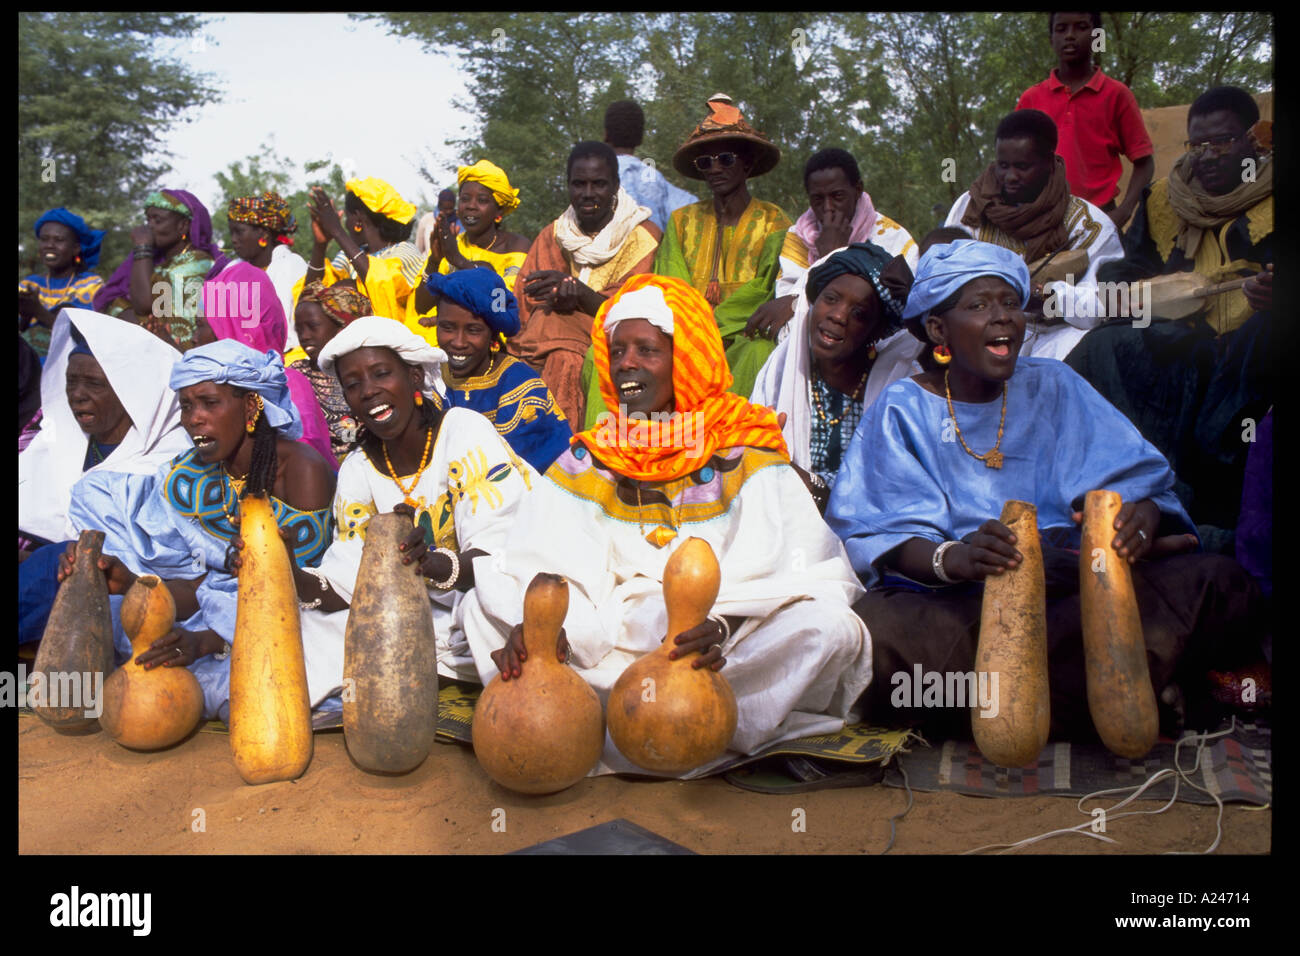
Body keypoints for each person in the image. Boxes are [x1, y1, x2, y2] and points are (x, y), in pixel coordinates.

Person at [826, 239, 1262, 741]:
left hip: (1072, 589)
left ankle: (1042, 701)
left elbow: (1133, 479)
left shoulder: (1053, 383)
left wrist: (1142, 515)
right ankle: (1112, 690)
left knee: (1218, 581)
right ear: (938, 328)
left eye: (1010, 303)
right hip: (963, 601)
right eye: (979, 305)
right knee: (880, 636)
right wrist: (957, 558)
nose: (1003, 318)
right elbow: (881, 532)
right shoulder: (903, 407)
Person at [461, 274, 872, 779]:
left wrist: (718, 626)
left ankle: (684, 722)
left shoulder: (744, 449)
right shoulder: (590, 456)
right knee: (483, 606)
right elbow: (549, 561)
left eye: (647, 350)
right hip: (613, 638)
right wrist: (552, 634)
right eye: (619, 351)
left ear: (686, 360)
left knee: (831, 629)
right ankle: (615, 716)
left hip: (720, 645)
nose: (628, 363)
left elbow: (811, 572)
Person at [58, 340, 336, 720]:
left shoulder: (301, 468)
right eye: (187, 406)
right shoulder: (190, 475)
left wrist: (206, 643)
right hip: (224, 612)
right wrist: (129, 583)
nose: (193, 419)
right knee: (129, 621)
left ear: (251, 405)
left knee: (255, 683)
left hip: (294, 612)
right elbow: (199, 584)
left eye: (209, 403)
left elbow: (303, 596)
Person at [278, 317, 538, 705]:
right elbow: (350, 577)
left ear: (415, 379)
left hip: (492, 596)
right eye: (353, 384)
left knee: (484, 605)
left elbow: (500, 553)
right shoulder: (358, 469)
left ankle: (529, 694)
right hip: (419, 621)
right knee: (314, 623)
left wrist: (432, 564)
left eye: (382, 374)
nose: (368, 391)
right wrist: (286, 570)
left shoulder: (461, 431)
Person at [1068, 86, 1273, 552]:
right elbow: (1132, 268)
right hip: (1178, 338)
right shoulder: (1165, 197)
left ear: (1251, 142)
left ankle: (1223, 525)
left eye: (1221, 142)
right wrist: (1133, 294)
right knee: (1107, 346)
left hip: (1253, 336)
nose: (1206, 156)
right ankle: (1136, 494)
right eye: (1196, 145)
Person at [18, 310, 191, 642]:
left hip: (118, 601)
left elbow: (152, 566)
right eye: (71, 381)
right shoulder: (61, 442)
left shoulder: (169, 463)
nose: (77, 394)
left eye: (94, 383)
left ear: (131, 391)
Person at [944, 108, 1123, 360]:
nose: (1010, 177)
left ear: (1050, 164)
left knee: (1086, 350)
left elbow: (1105, 303)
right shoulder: (970, 206)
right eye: (1003, 165)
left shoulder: (1090, 225)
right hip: (979, 332)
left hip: (1053, 338)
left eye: (1022, 167)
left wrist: (1045, 297)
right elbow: (944, 270)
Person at [511, 141, 661, 429]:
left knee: (565, 353)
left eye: (599, 184)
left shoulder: (643, 237)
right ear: (567, 185)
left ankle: (564, 455)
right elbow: (522, 304)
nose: (588, 194)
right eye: (579, 184)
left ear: (616, 184)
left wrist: (580, 295)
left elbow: (635, 314)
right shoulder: (554, 234)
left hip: (618, 348)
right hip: (538, 351)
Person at [652, 94, 792, 401]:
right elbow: (670, 286)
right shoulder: (681, 221)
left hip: (743, 336)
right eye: (705, 162)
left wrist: (717, 327)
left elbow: (766, 289)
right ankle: (607, 444)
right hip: (687, 337)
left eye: (726, 159)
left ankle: (737, 443)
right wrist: (696, 331)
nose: (715, 169)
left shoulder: (774, 221)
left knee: (758, 352)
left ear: (746, 163)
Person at [751, 242, 919, 498]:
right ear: (812, 304)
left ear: (876, 331)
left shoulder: (896, 387)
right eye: (830, 299)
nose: (839, 316)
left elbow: (896, 489)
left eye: (860, 313)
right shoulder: (780, 371)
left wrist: (814, 486)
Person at [745, 149, 918, 343]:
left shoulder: (894, 238)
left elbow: (899, 316)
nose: (828, 207)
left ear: (858, 190)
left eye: (837, 196)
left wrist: (834, 255)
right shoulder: (798, 236)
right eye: (818, 199)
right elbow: (785, 320)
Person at [1017, 11, 1155, 228]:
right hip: (1042, 222)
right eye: (1061, 29)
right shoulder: (1031, 99)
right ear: (1051, 39)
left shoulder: (1116, 94)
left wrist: (1122, 213)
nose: (1070, 36)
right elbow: (1013, 165)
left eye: (1081, 27)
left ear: (1097, 35)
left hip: (1100, 219)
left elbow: (1144, 162)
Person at [429, 269, 572, 474]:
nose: (458, 342)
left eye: (473, 330)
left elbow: (518, 472)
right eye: (447, 328)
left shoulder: (519, 385)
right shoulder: (431, 378)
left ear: (493, 334)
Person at [193, 261, 336, 466]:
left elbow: (304, 470)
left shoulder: (286, 389)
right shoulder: (198, 388)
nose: (193, 338)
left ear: (229, 328)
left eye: (200, 326)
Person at [93, 189, 229, 351]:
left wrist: (142, 248)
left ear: (183, 226)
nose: (150, 227)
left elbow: (144, 306)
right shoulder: (160, 262)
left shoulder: (193, 266)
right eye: (148, 219)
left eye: (158, 220)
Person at [408, 160, 531, 327]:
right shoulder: (452, 244)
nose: (471, 206)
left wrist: (458, 260)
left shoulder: (517, 248)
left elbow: (501, 307)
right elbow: (421, 306)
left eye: (482, 200)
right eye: (465, 199)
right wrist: (434, 262)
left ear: (499, 210)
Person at [301, 177, 423, 328]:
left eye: (347, 217)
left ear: (358, 219)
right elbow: (312, 295)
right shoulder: (350, 256)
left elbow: (382, 284)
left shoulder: (406, 252)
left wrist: (338, 232)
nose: (345, 223)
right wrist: (320, 245)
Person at [289, 280, 371, 461]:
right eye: (299, 329)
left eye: (313, 326)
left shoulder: (363, 372)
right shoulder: (297, 375)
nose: (304, 336)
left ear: (342, 328)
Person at [224, 190, 308, 352]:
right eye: (231, 232)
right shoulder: (231, 270)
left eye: (240, 232)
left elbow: (294, 330)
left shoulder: (291, 266)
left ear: (263, 233)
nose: (234, 239)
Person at [18, 207, 106, 359]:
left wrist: (38, 312)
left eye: (59, 240)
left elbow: (85, 338)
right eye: (44, 239)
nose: (50, 245)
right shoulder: (28, 284)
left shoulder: (90, 286)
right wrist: (25, 315)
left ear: (76, 249)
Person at [603, 99, 698, 232]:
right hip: (653, 250)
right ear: (640, 138)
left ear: (606, 134)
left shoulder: (596, 176)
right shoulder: (655, 178)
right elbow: (691, 209)